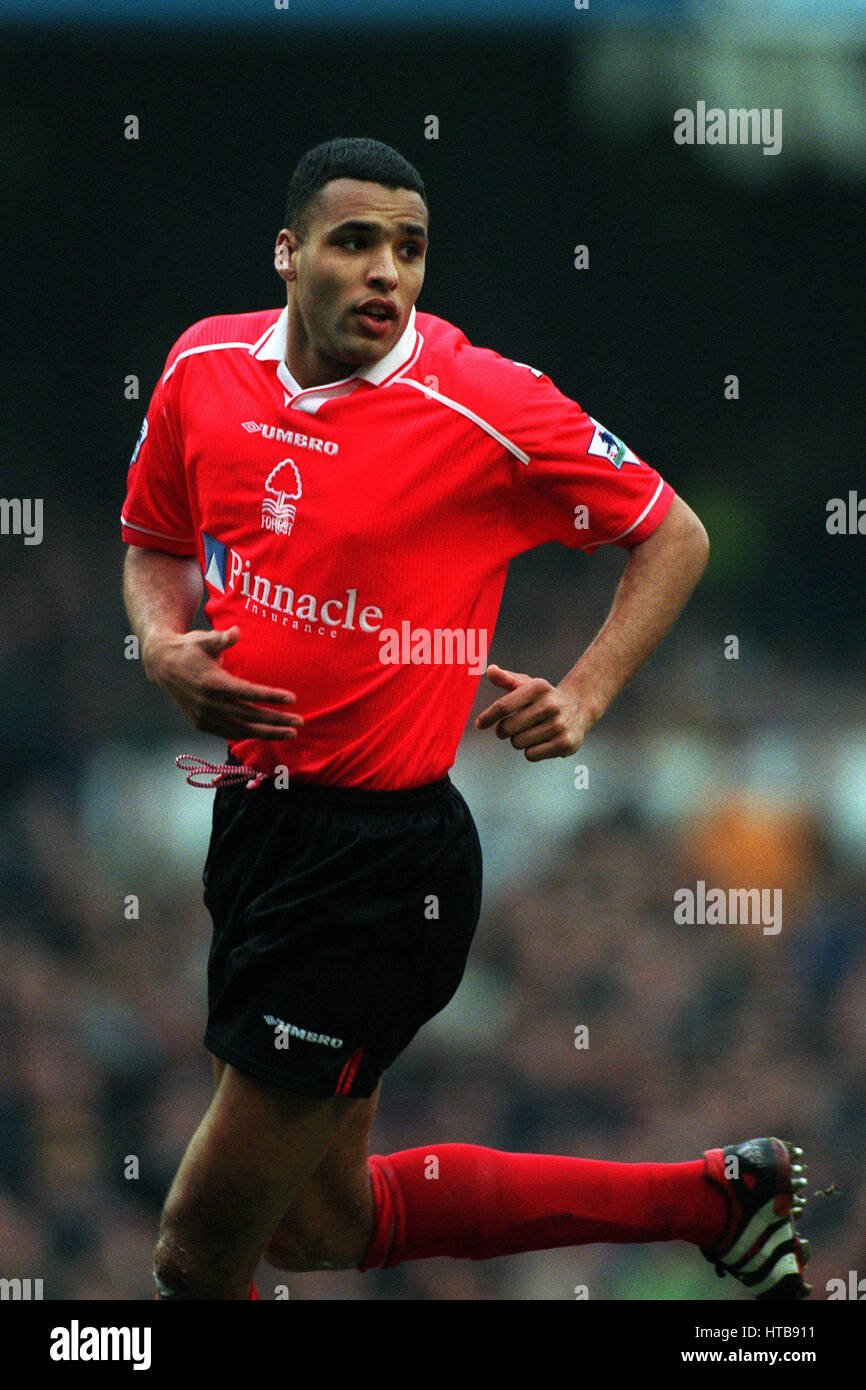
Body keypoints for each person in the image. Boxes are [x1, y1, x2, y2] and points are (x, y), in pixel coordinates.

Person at [121, 137, 810, 1301]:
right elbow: (152, 542)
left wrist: (583, 692)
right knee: (321, 1226)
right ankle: (710, 1199)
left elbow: (670, 531)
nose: (387, 270)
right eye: (355, 242)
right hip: (255, 835)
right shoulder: (202, 368)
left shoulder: (480, 401)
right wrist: (158, 643)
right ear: (288, 255)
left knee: (196, 1251)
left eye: (410, 248)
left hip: (378, 873)